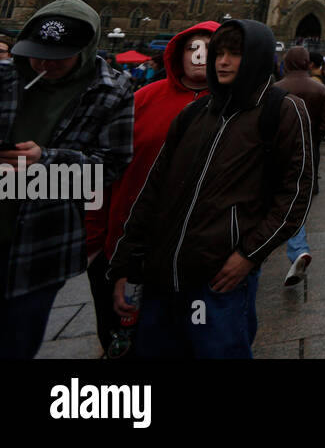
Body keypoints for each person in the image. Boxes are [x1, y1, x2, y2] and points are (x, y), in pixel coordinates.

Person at [108, 19, 312, 358]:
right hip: (161, 275)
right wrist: (125, 265)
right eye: (219, 53)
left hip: (218, 277)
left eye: (235, 54)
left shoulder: (283, 110)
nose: (223, 62)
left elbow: (295, 195)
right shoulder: (194, 112)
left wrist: (249, 255)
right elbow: (152, 191)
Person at [0, 0, 134, 358]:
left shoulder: (113, 91)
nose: (44, 63)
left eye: (57, 56)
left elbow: (108, 170)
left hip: (41, 246)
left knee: (15, 346)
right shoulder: (4, 77)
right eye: (37, 53)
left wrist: (44, 161)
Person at [86, 21, 218, 355]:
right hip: (125, 246)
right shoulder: (141, 99)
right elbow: (103, 168)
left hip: (197, 255)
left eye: (211, 48)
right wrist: (94, 240)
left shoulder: (242, 109)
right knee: (121, 339)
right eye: (192, 48)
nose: (200, 56)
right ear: (178, 54)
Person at [275, 47, 325, 285]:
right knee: (297, 198)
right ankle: (297, 247)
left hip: (278, 153)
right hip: (309, 152)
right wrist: (310, 140)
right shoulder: (320, 88)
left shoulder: (274, 89)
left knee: (274, 198)